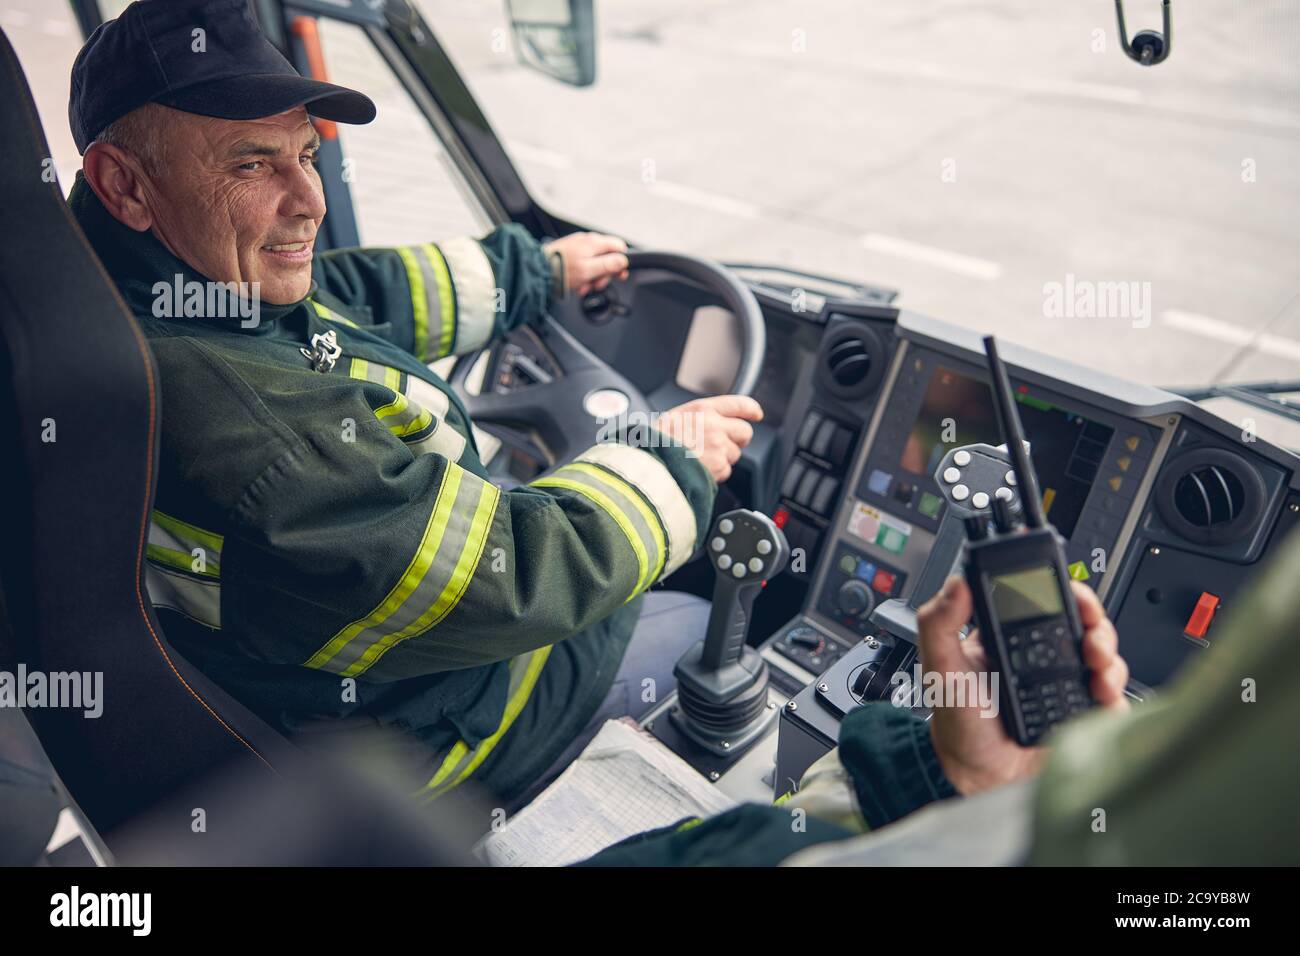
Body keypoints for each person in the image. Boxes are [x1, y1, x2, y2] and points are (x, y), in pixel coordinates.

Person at [67, 0, 762, 806]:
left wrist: (530, 273)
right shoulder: (247, 425)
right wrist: (668, 462)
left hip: (319, 673)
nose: (310, 201)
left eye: (306, 155)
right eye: (251, 165)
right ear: (125, 184)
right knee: (683, 617)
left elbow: (338, 294)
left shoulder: (150, 281)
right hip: (436, 729)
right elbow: (510, 581)